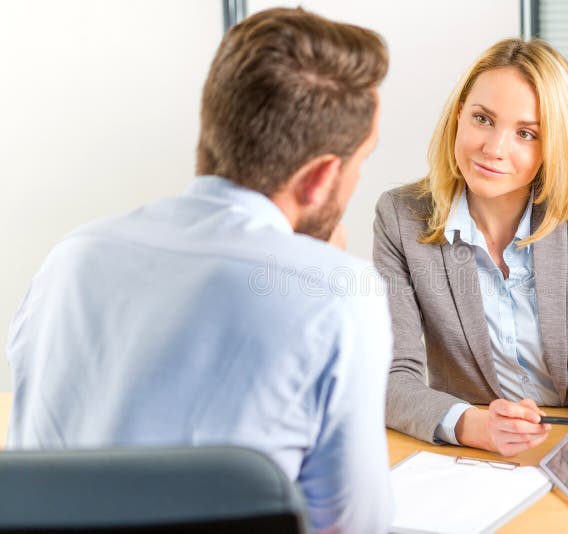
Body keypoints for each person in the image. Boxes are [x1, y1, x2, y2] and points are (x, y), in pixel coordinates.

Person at [6, 8, 392, 532]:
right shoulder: (340, 294)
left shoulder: (72, 256)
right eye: (361, 160)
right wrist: (324, 267)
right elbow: (352, 526)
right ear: (321, 177)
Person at [373, 38, 568, 457]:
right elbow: (392, 378)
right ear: (459, 114)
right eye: (483, 118)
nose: (494, 149)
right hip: (473, 454)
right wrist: (469, 424)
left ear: (553, 144)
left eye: (526, 133)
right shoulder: (401, 217)